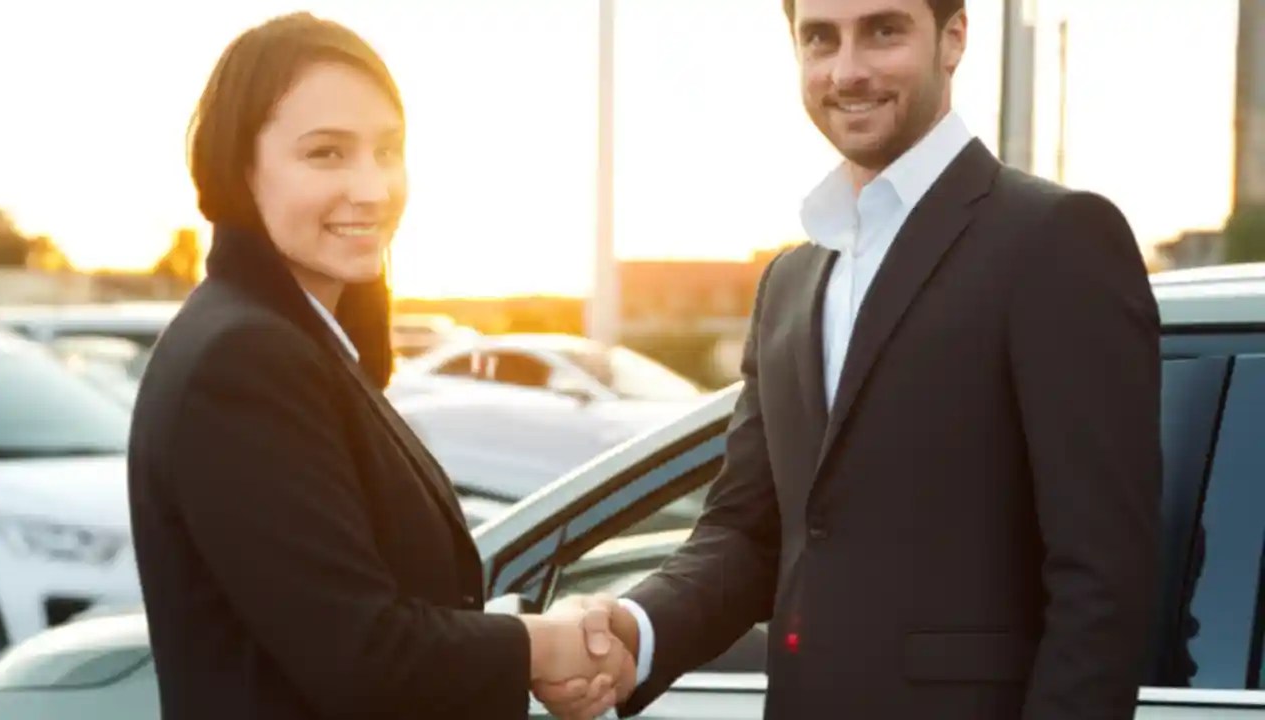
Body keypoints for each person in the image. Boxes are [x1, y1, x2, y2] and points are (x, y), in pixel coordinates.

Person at [542, 0, 1163, 718]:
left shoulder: (1055, 239)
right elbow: (747, 531)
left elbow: (1103, 580)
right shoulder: (791, 280)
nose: (847, 71)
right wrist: (634, 631)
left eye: (883, 30)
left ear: (953, 37)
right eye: (820, 38)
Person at [126, 13, 632, 719]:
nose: (372, 188)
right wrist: (541, 646)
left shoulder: (294, 339)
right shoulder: (244, 359)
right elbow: (359, 652)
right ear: (239, 166)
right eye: (326, 154)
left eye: (387, 150)